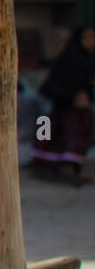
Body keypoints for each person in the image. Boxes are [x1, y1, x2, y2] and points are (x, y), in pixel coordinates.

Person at [32, 26, 95, 185]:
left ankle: (70, 168)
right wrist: (72, 97)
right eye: (87, 37)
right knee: (47, 132)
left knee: (78, 128)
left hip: (72, 108)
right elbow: (54, 86)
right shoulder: (69, 58)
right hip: (53, 105)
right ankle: (46, 166)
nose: (91, 41)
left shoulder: (86, 60)